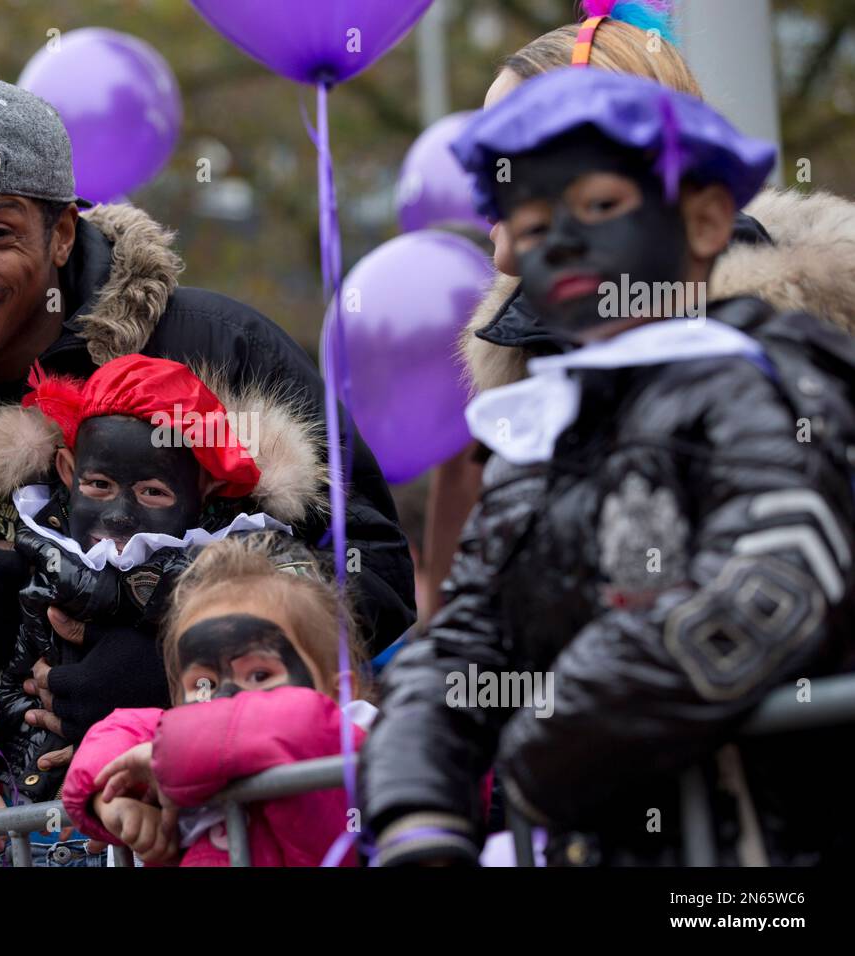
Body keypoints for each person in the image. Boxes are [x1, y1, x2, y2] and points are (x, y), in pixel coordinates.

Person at [0, 76, 416, 844]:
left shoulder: (218, 347)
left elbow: (374, 569)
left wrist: (180, 676)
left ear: (61, 234)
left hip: (212, 834)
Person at [362, 67, 855, 866]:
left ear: (702, 220)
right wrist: (417, 810)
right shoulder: (545, 437)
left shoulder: (755, 387)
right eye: (527, 218)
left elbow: (771, 585)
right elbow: (463, 641)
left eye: (596, 207)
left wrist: (545, 739)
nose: (555, 239)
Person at [428, 1, 855, 615]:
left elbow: (734, 614)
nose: (501, 190)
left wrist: (550, 708)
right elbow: (477, 624)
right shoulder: (530, 392)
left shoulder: (767, 376)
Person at [0, 354, 325, 864]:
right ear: (67, 471)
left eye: (153, 492)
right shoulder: (23, 560)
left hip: (163, 832)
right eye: (98, 485)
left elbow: (290, 693)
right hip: (21, 835)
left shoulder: (246, 580)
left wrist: (162, 696)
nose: (119, 514)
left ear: (204, 489)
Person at [63, 532, 375, 867]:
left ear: (339, 693)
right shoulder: (176, 752)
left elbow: (299, 725)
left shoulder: (353, 737)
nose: (225, 697)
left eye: (259, 675)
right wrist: (110, 796)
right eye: (203, 683)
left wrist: (166, 758)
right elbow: (120, 728)